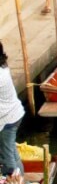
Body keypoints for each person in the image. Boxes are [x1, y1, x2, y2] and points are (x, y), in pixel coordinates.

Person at [0, 42, 25, 176]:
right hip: (14, 114)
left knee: (6, 156)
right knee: (12, 151)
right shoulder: (3, 67)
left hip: (7, 119)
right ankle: (21, 179)